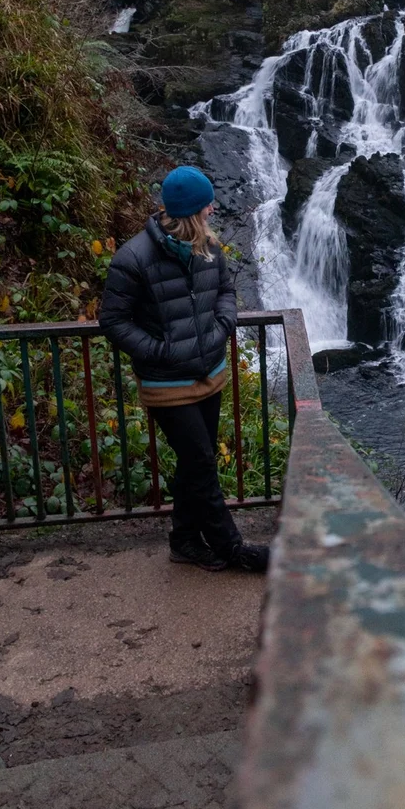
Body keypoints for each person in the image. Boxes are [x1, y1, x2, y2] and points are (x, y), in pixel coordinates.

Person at [99, 166, 269, 573]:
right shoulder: (133, 258)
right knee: (202, 463)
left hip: (209, 374)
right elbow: (114, 321)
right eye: (207, 203)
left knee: (197, 461)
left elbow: (226, 292)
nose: (214, 208)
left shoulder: (209, 248)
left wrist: (223, 326)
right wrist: (160, 351)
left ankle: (185, 540)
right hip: (166, 382)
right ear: (192, 211)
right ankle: (232, 548)